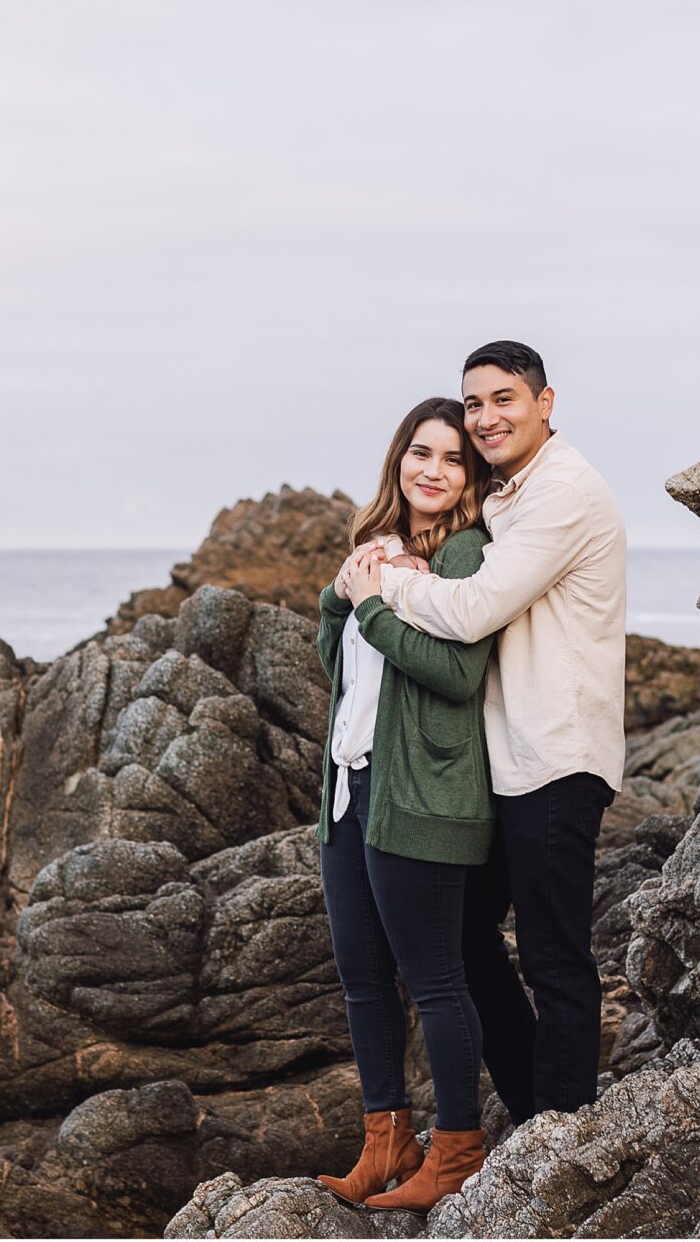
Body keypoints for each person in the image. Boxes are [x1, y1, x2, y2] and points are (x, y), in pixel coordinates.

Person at [344, 341, 625, 1123]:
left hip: (559, 755)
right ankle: (537, 1105)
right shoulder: (509, 495)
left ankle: (566, 1132)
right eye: (475, 403)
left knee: (553, 955)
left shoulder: (565, 494)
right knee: (466, 933)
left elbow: (470, 611)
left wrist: (385, 585)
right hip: (509, 763)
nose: (487, 416)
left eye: (504, 398)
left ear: (545, 402)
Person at [311, 397, 497, 1213]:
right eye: (420, 452)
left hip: (420, 795)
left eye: (453, 459)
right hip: (351, 787)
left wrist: (377, 606)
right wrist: (345, 591)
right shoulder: (379, 549)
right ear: (398, 459)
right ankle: (388, 1138)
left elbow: (458, 677)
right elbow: (340, 667)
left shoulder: (467, 554)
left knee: (436, 979)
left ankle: (456, 1150)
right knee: (361, 978)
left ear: (471, 475)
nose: (432, 469)